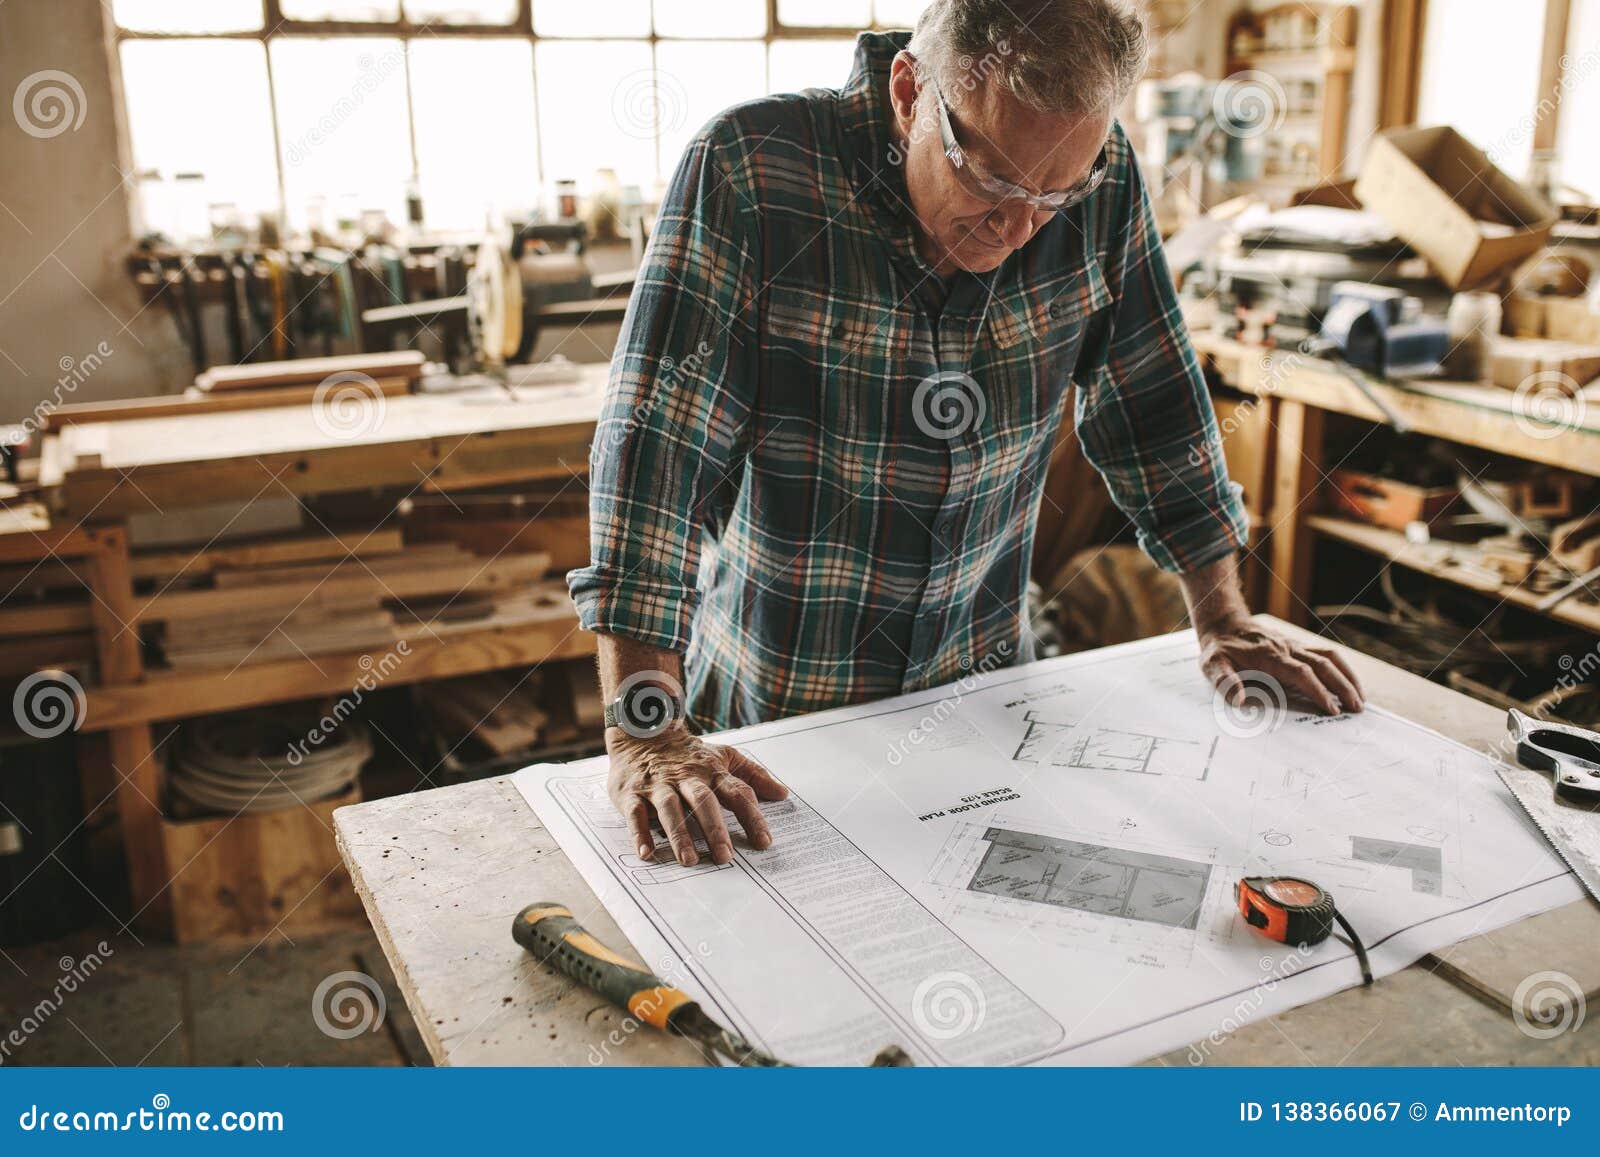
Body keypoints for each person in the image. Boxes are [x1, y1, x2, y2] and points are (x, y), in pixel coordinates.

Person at [569, 0, 1364, 868]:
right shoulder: (754, 170)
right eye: (990, 181)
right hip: (785, 717)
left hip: (985, 711)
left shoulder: (1101, 180)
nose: (1020, 225)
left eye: (1054, 194)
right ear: (911, 94)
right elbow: (655, 457)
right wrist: (647, 731)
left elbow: (1155, 402)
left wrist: (1223, 618)